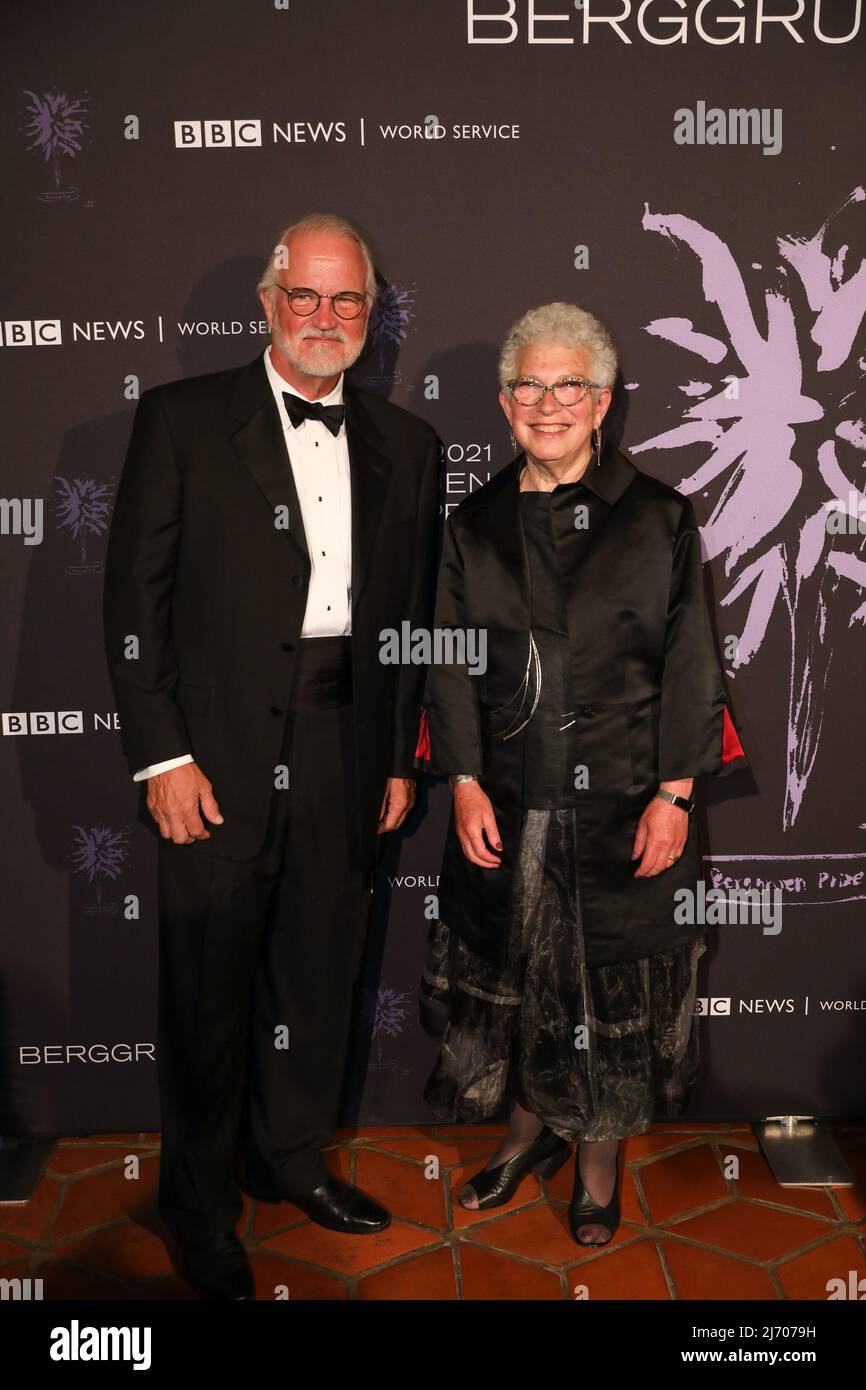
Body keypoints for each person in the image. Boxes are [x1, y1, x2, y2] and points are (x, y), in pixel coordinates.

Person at [103, 212, 438, 1298]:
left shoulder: (407, 444)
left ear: (370, 316)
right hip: (217, 754)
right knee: (206, 994)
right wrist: (163, 760)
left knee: (317, 969)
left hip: (347, 746)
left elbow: (405, 621)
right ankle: (197, 1205)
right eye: (308, 296)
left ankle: (287, 1160)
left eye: (349, 301)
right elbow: (132, 605)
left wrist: (395, 754)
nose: (326, 318)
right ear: (268, 301)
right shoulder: (182, 422)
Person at [418, 302, 748, 1246]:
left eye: (569, 386)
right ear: (504, 400)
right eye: (529, 384)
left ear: (602, 401)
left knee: (609, 991)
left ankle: (597, 1157)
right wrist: (468, 781)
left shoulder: (657, 519)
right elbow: (446, 661)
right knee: (520, 979)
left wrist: (678, 794)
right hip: (512, 803)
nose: (547, 403)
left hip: (625, 808)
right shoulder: (474, 524)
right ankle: (527, 1134)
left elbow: (693, 666)